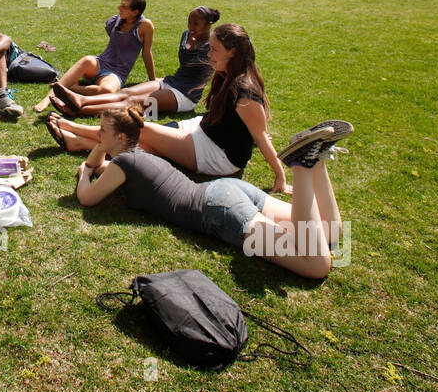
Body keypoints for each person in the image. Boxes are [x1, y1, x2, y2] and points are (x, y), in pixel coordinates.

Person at [75, 107, 352, 279]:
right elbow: (101, 164)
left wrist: (84, 175)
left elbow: (87, 197)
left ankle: (301, 167)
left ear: (121, 138)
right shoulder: (140, 156)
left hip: (219, 211)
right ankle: (317, 162)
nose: (98, 133)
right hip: (228, 189)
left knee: (316, 264)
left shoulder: (124, 162)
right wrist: (100, 149)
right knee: (331, 234)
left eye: (102, 130)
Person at [46, 23, 289, 194]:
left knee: (142, 130)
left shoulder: (245, 91)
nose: (209, 53)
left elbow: (261, 136)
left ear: (233, 51)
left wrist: (280, 175)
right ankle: (76, 141)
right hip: (202, 132)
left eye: (214, 49)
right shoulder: (227, 74)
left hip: (217, 155)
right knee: (144, 145)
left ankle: (75, 128)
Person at [49, 6, 220, 118]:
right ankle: (79, 98)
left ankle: (78, 108)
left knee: (133, 104)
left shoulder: (211, 47)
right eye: (189, 21)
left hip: (184, 95)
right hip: (171, 82)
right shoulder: (186, 35)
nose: (191, 26)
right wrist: (157, 80)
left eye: (196, 24)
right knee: (126, 93)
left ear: (209, 25)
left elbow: (218, 72)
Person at [32, 0, 154, 113]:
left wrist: (152, 80)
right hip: (99, 64)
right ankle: (46, 100)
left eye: (124, 6)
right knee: (87, 60)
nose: (119, 8)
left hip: (116, 73)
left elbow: (146, 53)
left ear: (135, 12)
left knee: (108, 91)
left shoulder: (145, 26)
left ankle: (72, 88)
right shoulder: (116, 20)